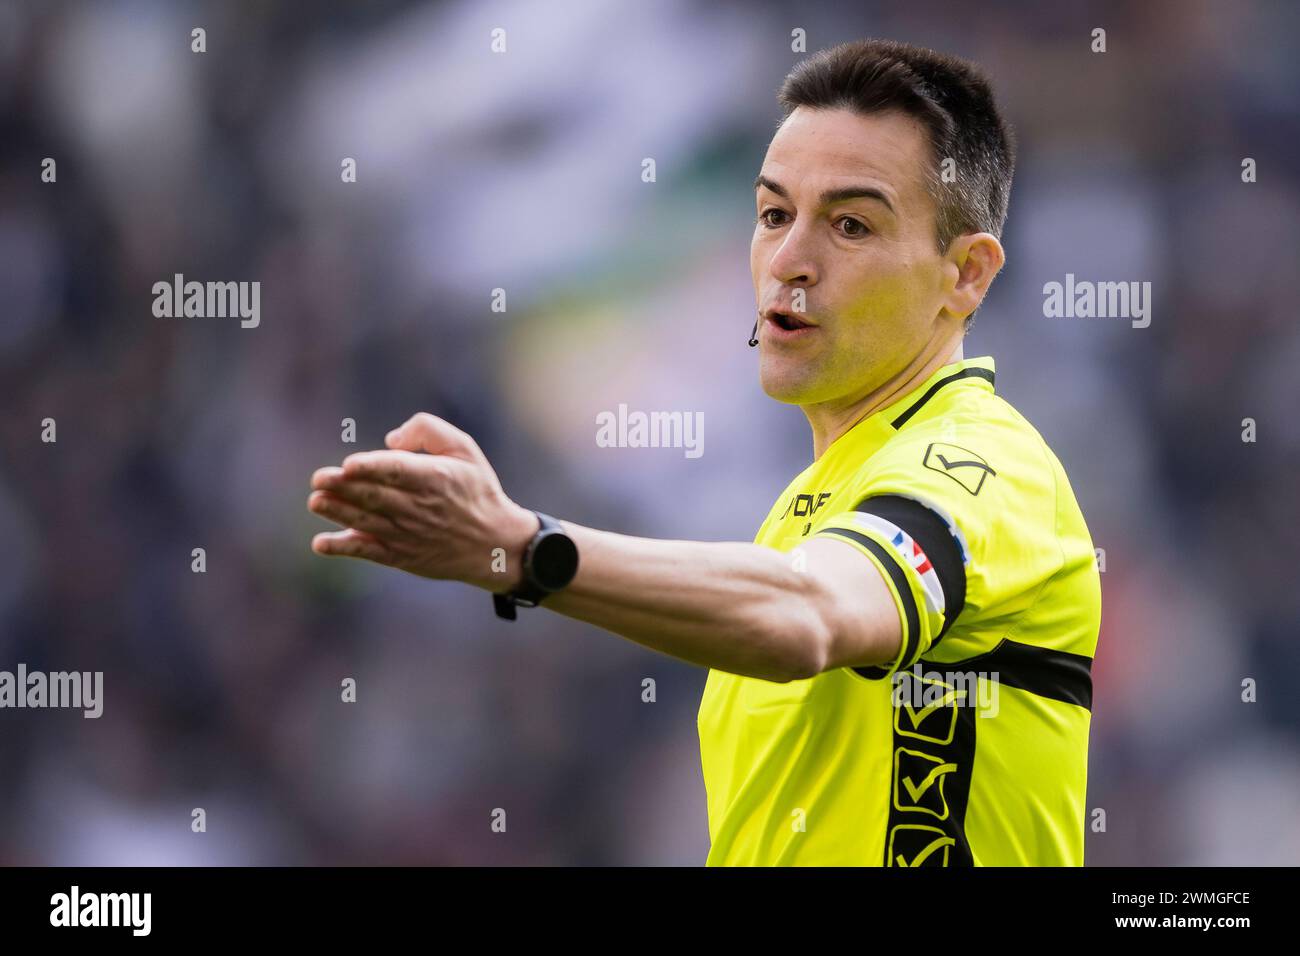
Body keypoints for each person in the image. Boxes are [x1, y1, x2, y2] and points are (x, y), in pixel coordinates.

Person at [307, 39, 1101, 866]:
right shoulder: (802, 513)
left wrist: (524, 549)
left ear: (965, 275)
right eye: (772, 215)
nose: (790, 261)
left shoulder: (984, 464)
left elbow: (805, 614)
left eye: (852, 225)